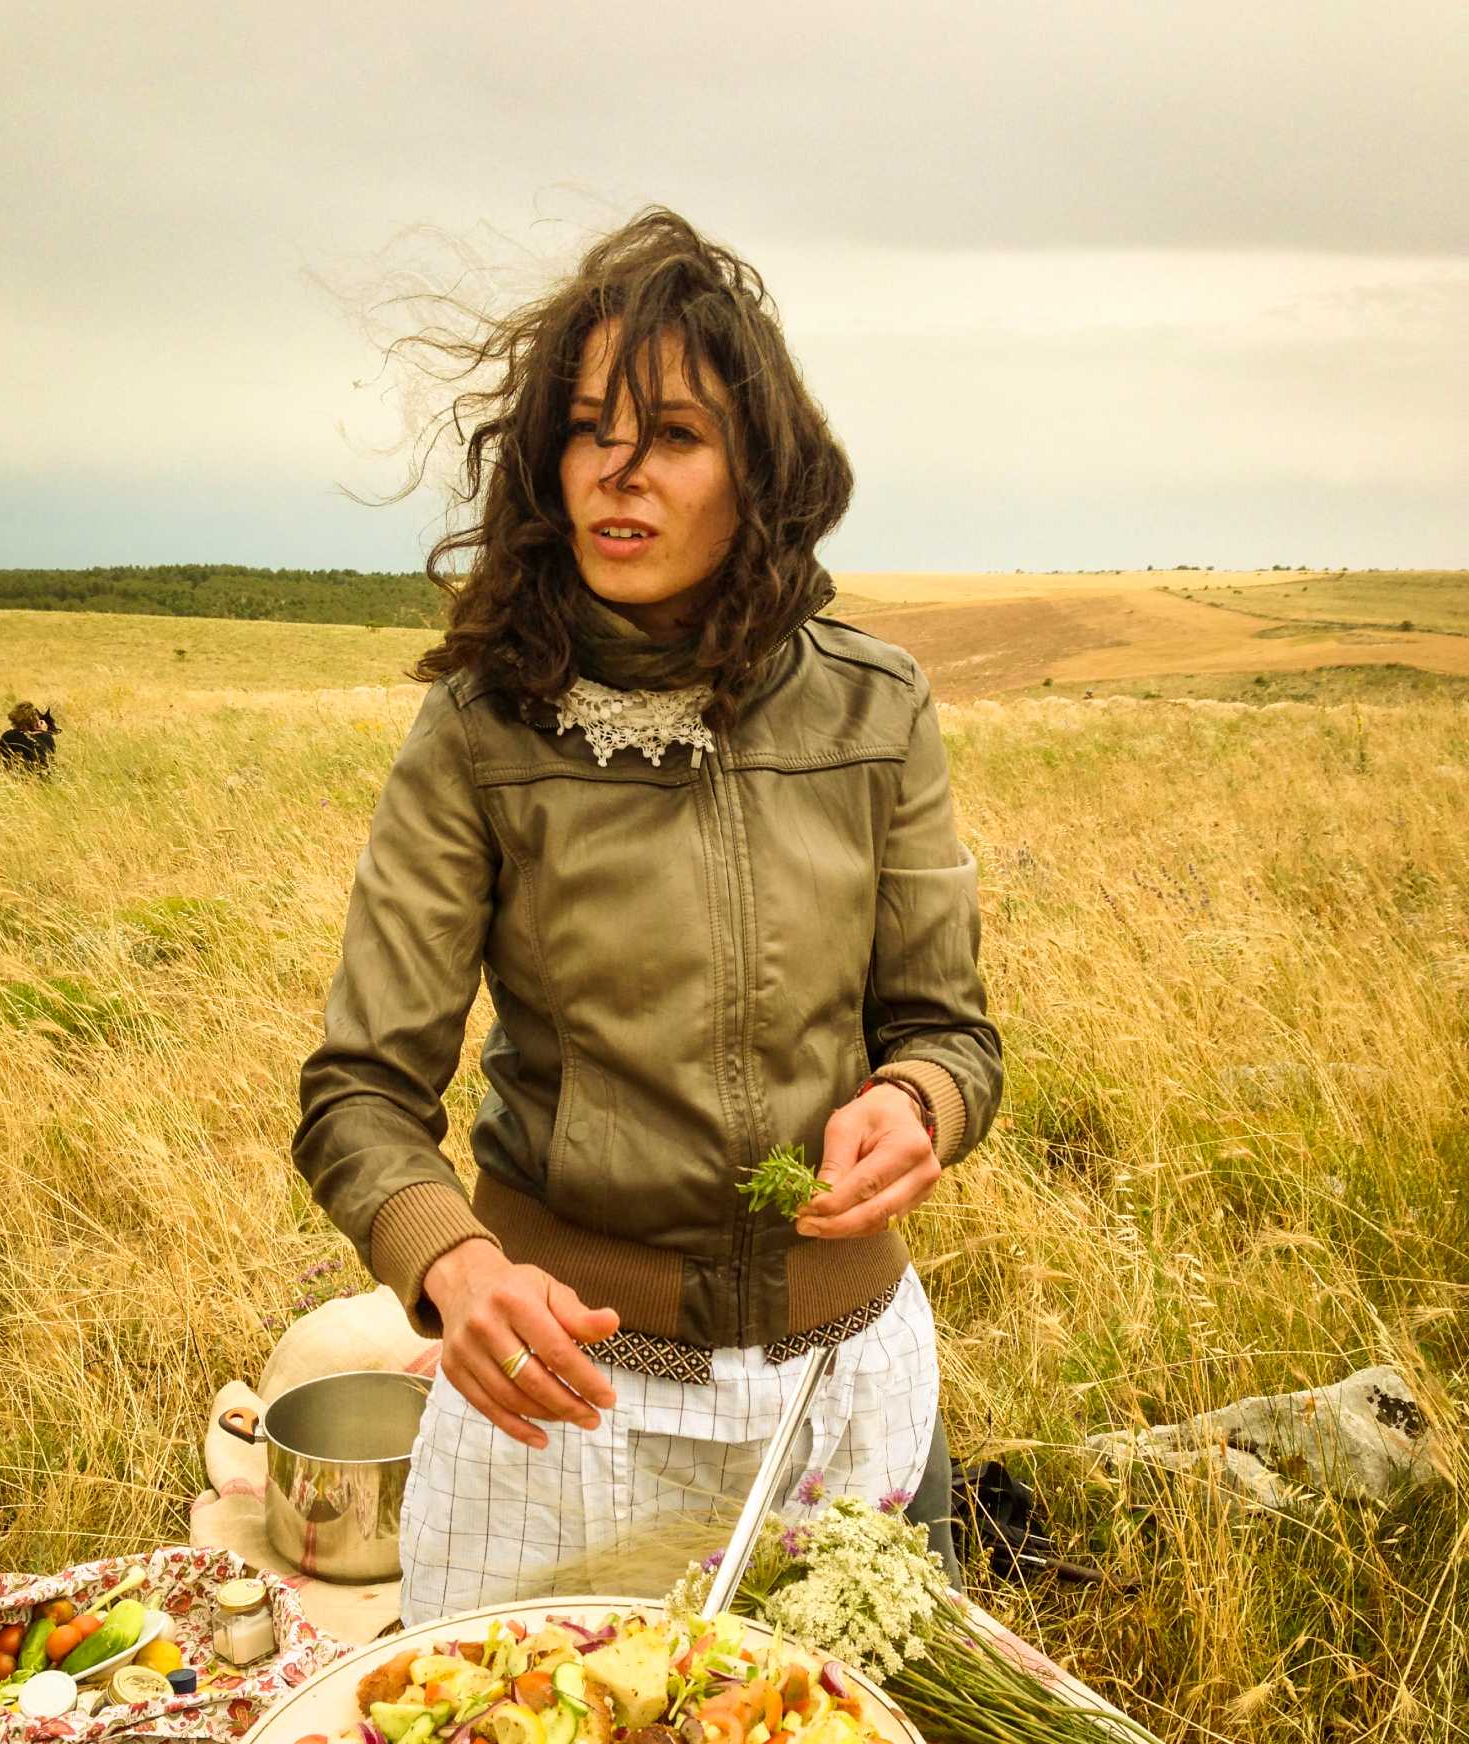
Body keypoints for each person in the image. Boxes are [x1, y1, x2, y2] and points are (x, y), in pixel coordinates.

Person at [294, 209, 1003, 1623]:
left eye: (672, 435)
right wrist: (459, 1265)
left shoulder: (876, 709)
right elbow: (359, 1097)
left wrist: (920, 1102)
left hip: (839, 1388)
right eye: (585, 431)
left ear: (760, 471)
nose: (617, 475)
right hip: (563, 1401)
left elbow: (948, 1030)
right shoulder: (480, 731)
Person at [0, 701, 57, 773]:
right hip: (43, 777)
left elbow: (2, 760)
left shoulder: (8, 736)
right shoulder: (47, 738)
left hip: (17, 777)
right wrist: (44, 732)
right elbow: (49, 759)